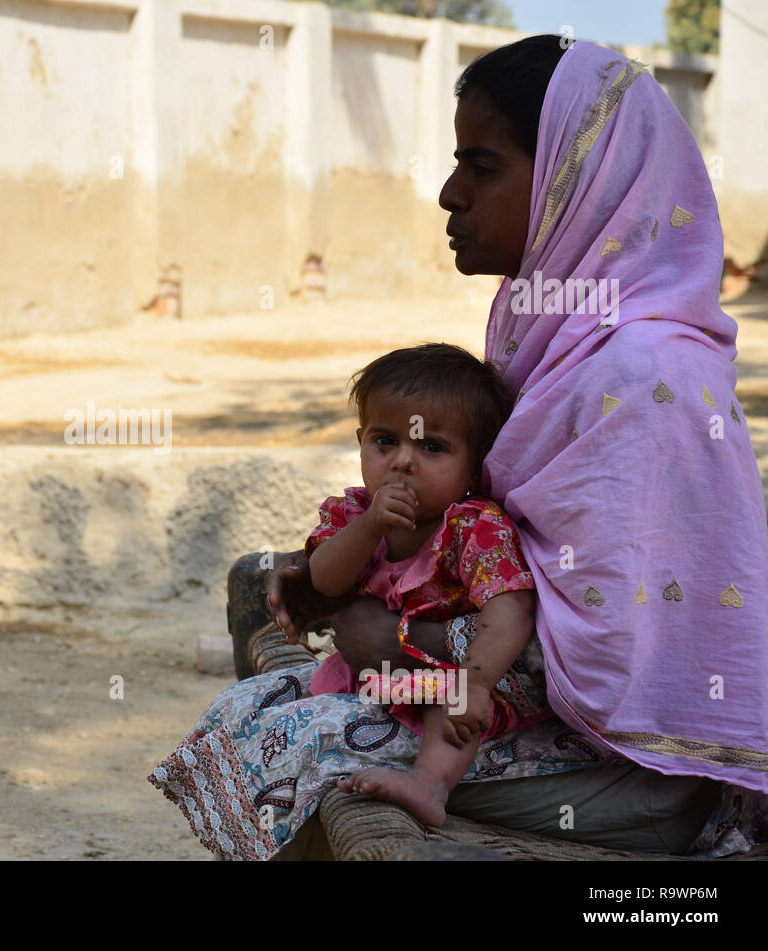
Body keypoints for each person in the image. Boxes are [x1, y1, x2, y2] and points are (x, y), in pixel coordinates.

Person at [148, 34, 768, 861]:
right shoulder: (557, 334)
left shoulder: (643, 375)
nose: (449, 194)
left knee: (296, 746)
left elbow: (622, 651)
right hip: (509, 712)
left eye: (480, 167)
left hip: (632, 770)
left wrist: (399, 640)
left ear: (572, 182)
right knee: (261, 712)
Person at [300, 343, 551, 828]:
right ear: (359, 441)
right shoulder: (353, 513)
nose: (403, 462)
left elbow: (510, 608)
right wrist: (369, 528)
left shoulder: (474, 527)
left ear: (475, 466)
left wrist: (475, 682)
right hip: (375, 673)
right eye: (384, 441)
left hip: (453, 676)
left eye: (432, 447)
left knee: (448, 701)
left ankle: (429, 784)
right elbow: (325, 582)